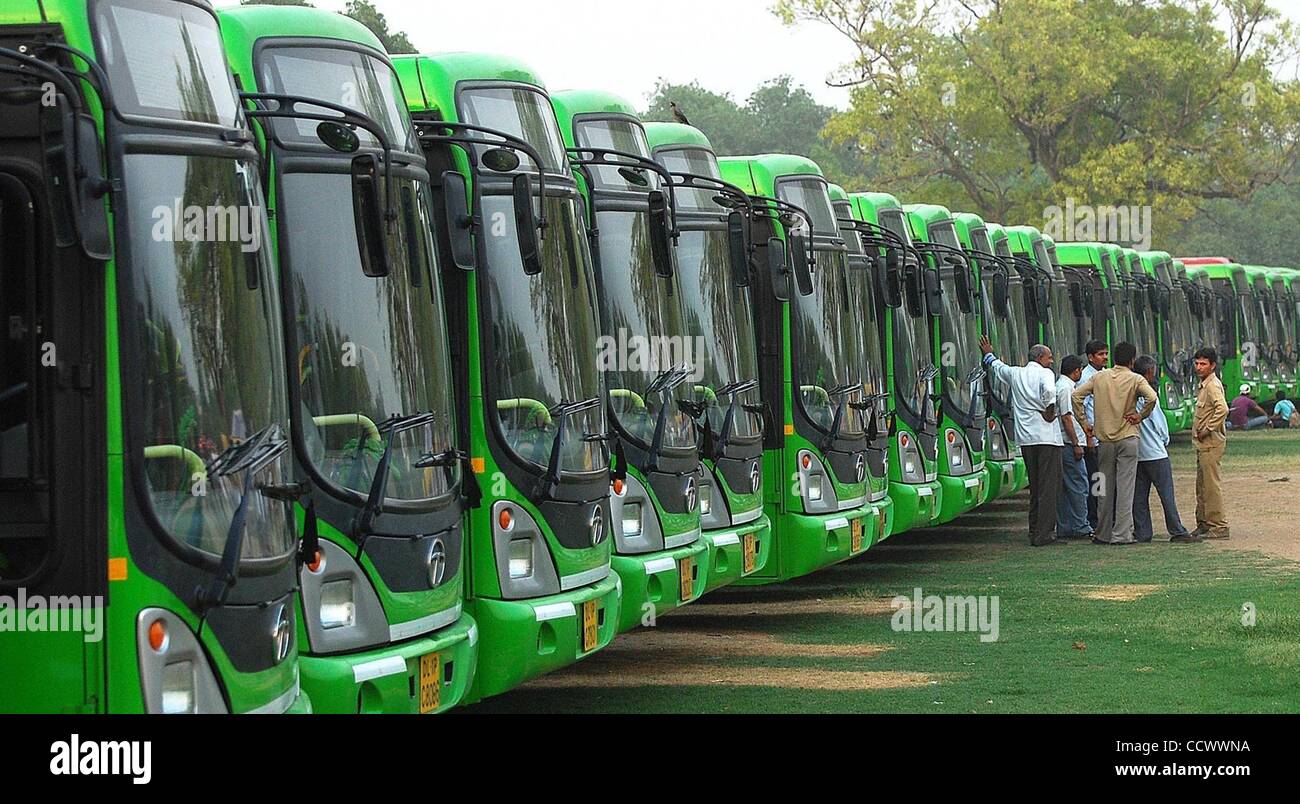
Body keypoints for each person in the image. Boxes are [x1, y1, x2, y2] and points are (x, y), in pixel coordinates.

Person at [980, 336, 1067, 547]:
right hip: (1047, 437)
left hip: (1026, 438)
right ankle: (1045, 534)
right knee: (1049, 487)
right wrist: (1050, 409)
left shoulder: (1016, 373)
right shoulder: (1044, 373)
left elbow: (997, 367)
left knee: (1036, 486)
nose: (1052, 361)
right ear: (1039, 358)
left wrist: (988, 354)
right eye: (1049, 357)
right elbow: (1049, 391)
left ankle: (1034, 529)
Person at [1070, 341, 1158, 546]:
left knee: (1101, 486)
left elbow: (1076, 396)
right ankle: (1122, 534)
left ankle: (1102, 532)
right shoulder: (1135, 378)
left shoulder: (1099, 377)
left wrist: (1085, 424)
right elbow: (1152, 398)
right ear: (1132, 360)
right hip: (1128, 439)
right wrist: (1140, 415)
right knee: (1125, 488)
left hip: (1104, 441)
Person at [1132, 356, 1196, 543]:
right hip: (1156, 454)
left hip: (1138, 453)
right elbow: (1160, 427)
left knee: (1139, 497)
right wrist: (1164, 441)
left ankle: (1143, 532)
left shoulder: (1129, 395)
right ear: (1149, 372)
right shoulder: (1150, 397)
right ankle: (1177, 530)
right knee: (1166, 494)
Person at [1191, 347, 1229, 539]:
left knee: (1211, 485)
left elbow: (1222, 409)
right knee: (1202, 485)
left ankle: (1219, 526)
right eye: (1197, 363)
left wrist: (1208, 428)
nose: (1199, 367)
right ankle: (1204, 522)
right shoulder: (1204, 384)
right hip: (1203, 445)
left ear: (1212, 365)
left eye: (1203, 364)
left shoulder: (1212, 385)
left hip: (1211, 443)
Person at [1055, 355, 1092, 539]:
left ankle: (1066, 526)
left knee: (1066, 486)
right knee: (1079, 484)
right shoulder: (1066, 388)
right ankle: (1081, 525)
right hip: (1069, 444)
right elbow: (1066, 417)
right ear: (1076, 371)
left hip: (1064, 444)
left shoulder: (1064, 386)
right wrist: (1076, 443)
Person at [1079, 340, 1109, 531]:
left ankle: (1102, 516)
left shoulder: (1105, 374)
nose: (1105, 357)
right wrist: (1088, 436)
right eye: (1100, 354)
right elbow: (1082, 407)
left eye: (1106, 353)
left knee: (1102, 479)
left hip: (1105, 437)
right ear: (1090, 357)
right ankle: (1094, 519)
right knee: (1096, 479)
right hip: (1093, 438)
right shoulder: (1086, 378)